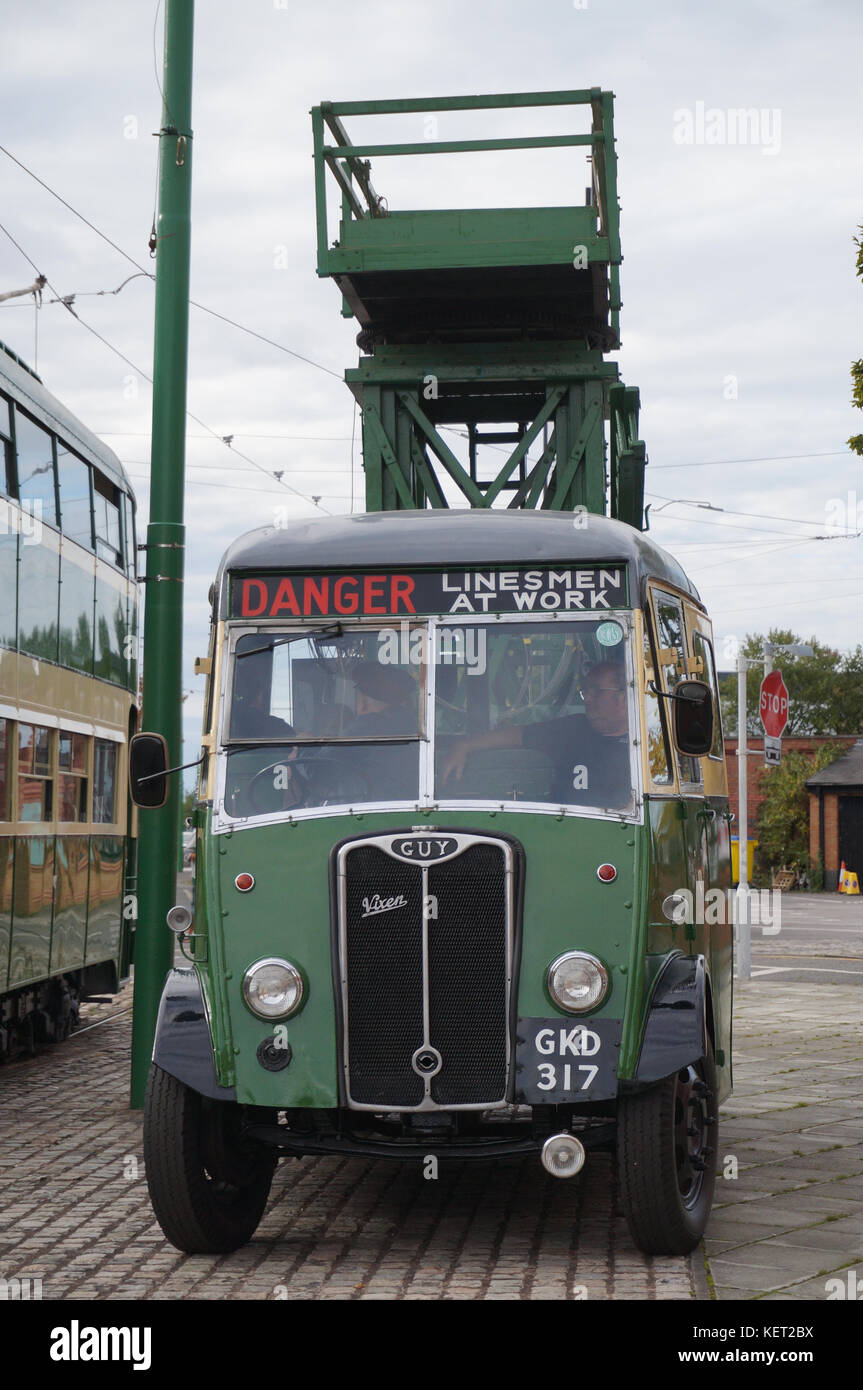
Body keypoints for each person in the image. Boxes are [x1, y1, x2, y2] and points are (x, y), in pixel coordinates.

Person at [439, 661, 632, 808]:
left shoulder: (643, 745)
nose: (587, 699)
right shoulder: (573, 730)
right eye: (586, 692)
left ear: (624, 694)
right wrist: (463, 746)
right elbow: (518, 734)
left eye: (596, 691)